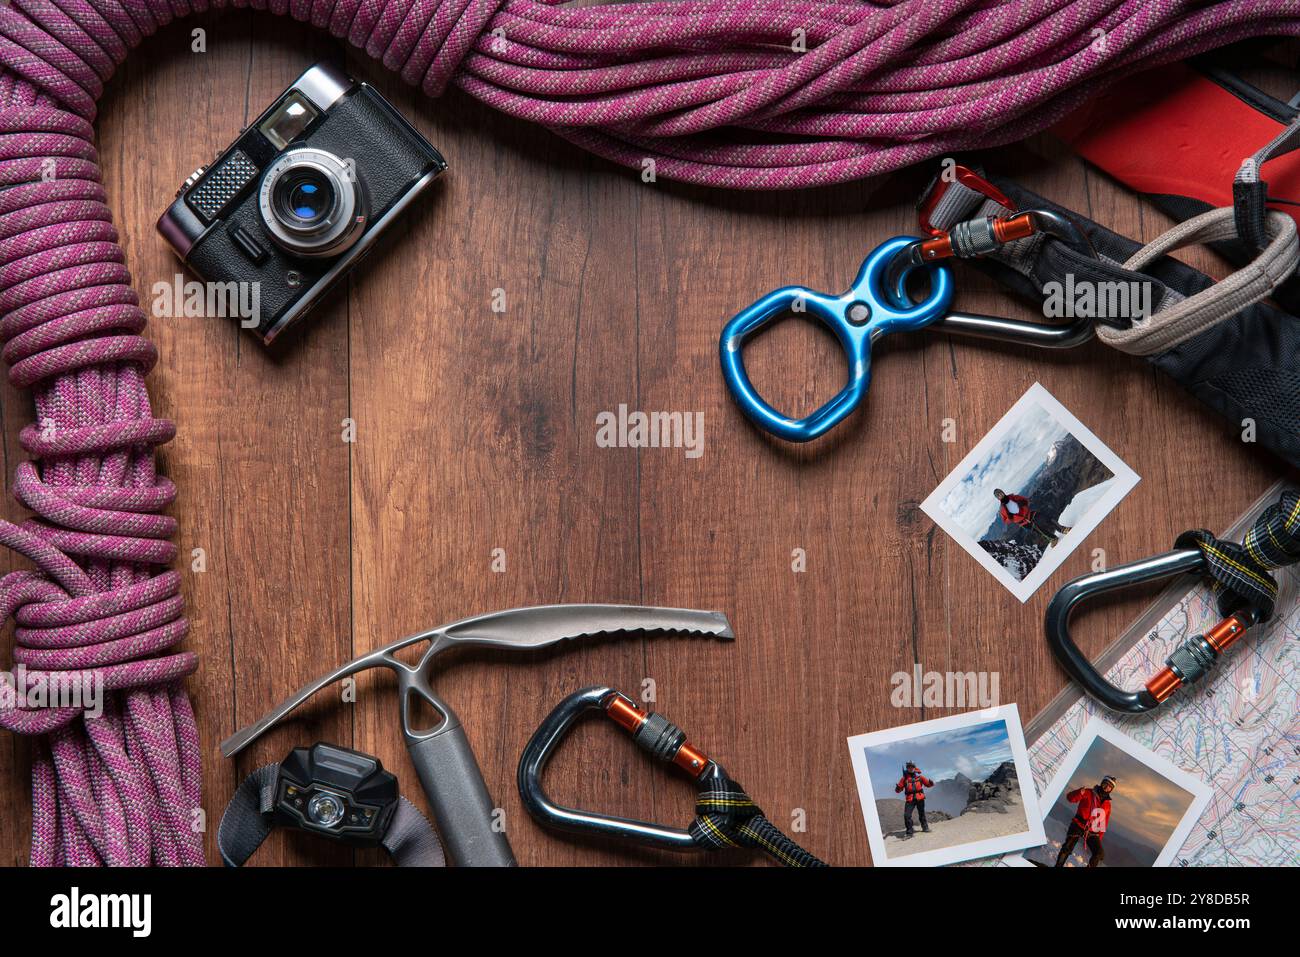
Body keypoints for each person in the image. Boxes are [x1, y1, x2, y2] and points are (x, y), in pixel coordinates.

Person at [1054, 775, 1116, 867]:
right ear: (1102, 783)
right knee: (1067, 847)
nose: (1107, 787)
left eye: (1110, 786)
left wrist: (1099, 838)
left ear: (1111, 789)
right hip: (1078, 824)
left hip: (1092, 831)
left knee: (1099, 853)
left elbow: (1103, 823)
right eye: (1106, 784)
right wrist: (1079, 792)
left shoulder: (1107, 805)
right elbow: (1070, 798)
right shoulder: (1089, 792)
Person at [993, 488, 1072, 545]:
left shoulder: (1013, 497)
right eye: (998, 495)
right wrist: (1010, 518)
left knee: (1047, 519)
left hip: (1030, 514)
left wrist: (1023, 503)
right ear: (997, 498)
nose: (1000, 495)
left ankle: (1062, 529)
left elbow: (1026, 500)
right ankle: (1053, 539)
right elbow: (1005, 521)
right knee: (1040, 531)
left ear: (1003, 492)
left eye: (1000, 492)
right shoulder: (1002, 510)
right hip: (1024, 523)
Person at [895, 761, 934, 838]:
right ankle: (909, 832)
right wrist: (898, 788)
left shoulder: (920, 777)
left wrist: (931, 783)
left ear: (914, 768)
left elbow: (928, 785)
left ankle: (925, 827)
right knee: (907, 815)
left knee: (922, 813)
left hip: (920, 798)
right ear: (907, 768)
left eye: (912, 766)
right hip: (910, 799)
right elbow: (898, 791)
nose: (910, 768)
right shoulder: (904, 779)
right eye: (909, 767)